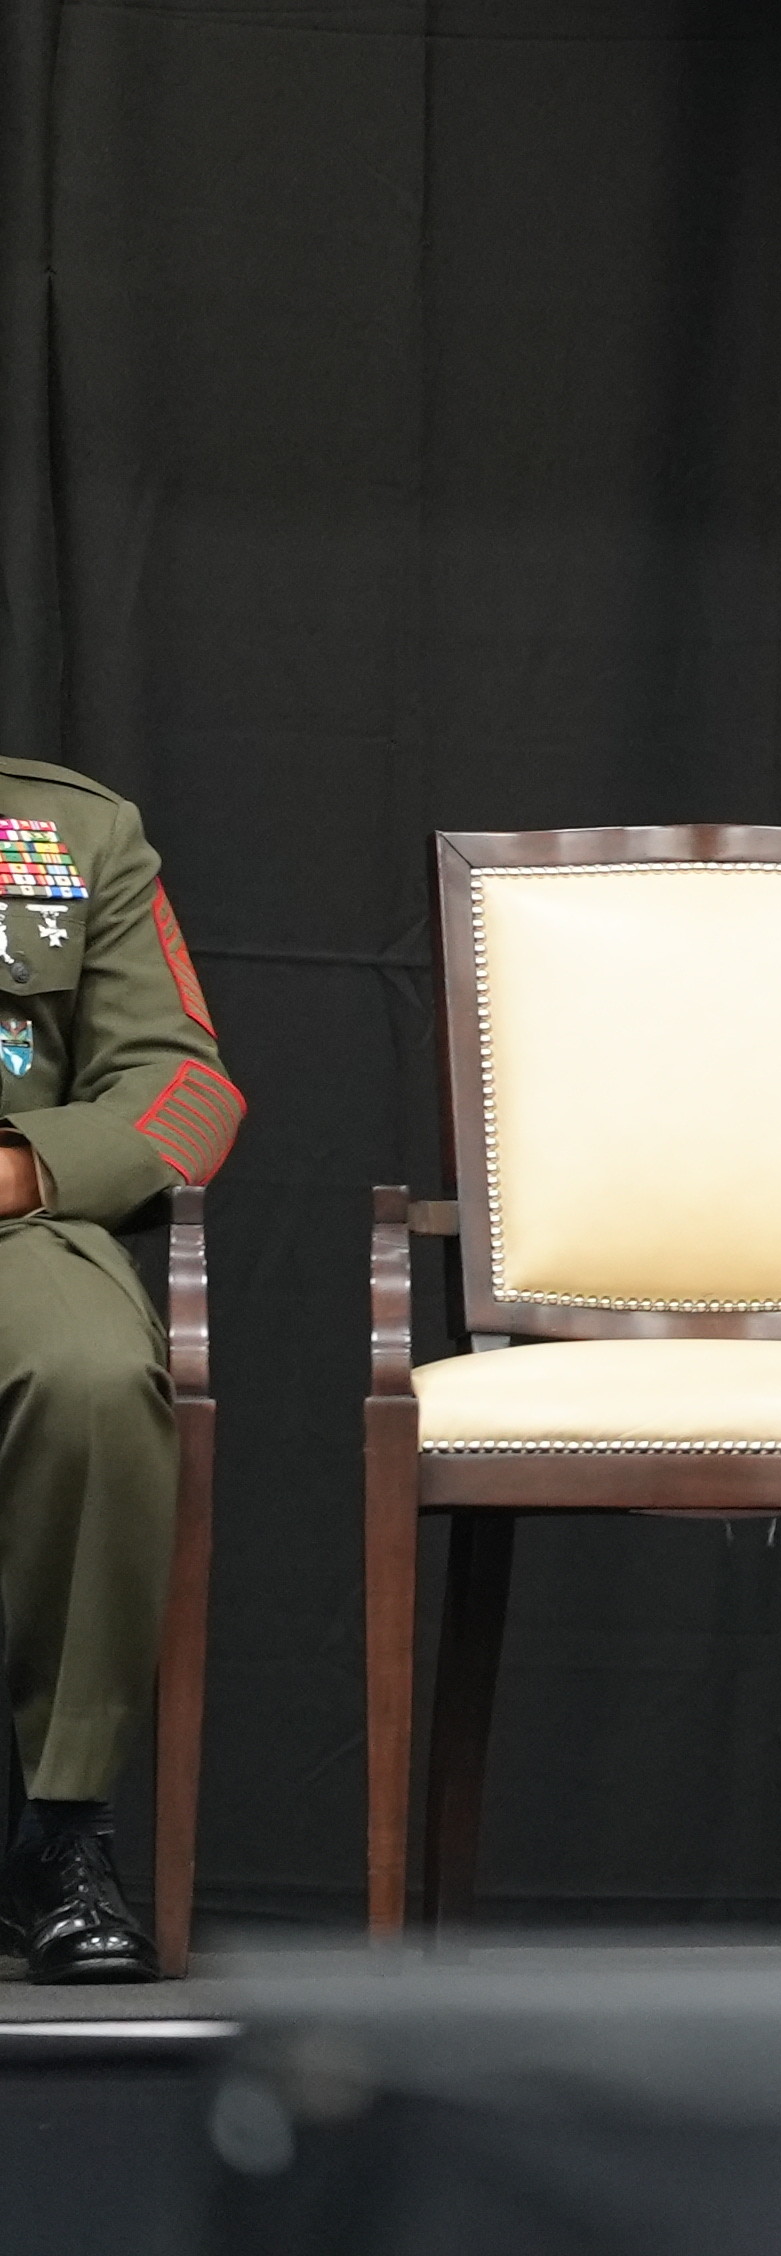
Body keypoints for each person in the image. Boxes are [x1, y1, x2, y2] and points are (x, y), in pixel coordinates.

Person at [0, 757, 244, 1983]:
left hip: (7, 1222)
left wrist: (28, 1171)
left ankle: (61, 1834)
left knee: (94, 1378)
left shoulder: (65, 830)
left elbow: (184, 1086)